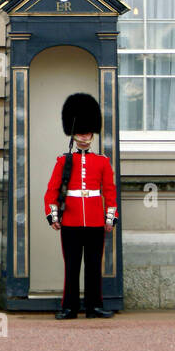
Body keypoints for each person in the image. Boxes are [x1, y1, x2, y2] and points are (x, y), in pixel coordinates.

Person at [44, 92, 117, 319]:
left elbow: (110, 191)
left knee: (94, 266)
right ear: (74, 134)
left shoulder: (102, 161)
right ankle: (70, 307)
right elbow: (52, 191)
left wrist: (109, 217)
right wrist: (53, 216)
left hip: (95, 220)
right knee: (72, 266)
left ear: (92, 134)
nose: (84, 136)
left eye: (87, 133)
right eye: (81, 132)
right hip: (72, 220)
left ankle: (94, 306)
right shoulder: (63, 161)